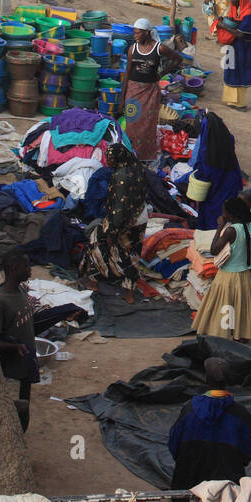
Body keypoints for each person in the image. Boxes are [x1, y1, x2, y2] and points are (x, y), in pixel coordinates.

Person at [168, 358, 251, 502]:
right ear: (228, 382)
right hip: (226, 493)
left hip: (188, 488)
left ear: (206, 380)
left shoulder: (188, 410)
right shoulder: (242, 415)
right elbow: (247, 454)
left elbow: (174, 446)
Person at [79, 143, 149, 304]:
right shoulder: (138, 169)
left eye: (110, 159)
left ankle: (93, 281)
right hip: (140, 216)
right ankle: (129, 292)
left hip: (122, 221)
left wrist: (112, 232)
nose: (107, 162)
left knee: (96, 245)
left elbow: (119, 208)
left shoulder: (120, 176)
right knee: (132, 254)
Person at [193, 196, 251, 342]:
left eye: (224, 212)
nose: (223, 215)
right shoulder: (248, 225)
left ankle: (223, 337)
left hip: (228, 277)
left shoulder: (231, 230)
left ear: (231, 214)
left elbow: (214, 250)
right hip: (243, 275)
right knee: (240, 308)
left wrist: (220, 227)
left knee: (225, 308)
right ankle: (240, 336)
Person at [0, 249, 39, 433]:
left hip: (25, 365)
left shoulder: (21, 292)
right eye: (26, 266)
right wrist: (15, 346)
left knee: (25, 409)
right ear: (14, 268)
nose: (30, 269)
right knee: (15, 413)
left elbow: (27, 324)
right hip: (12, 370)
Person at [119, 18, 182, 161]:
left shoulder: (159, 48)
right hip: (133, 90)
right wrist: (122, 99)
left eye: (138, 33)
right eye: (134, 33)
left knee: (148, 124)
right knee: (132, 123)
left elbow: (178, 59)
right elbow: (127, 74)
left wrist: (161, 74)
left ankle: (144, 156)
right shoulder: (132, 49)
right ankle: (130, 153)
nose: (135, 36)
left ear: (147, 33)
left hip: (150, 91)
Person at [215, 0, 251, 110]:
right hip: (235, 47)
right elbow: (235, 21)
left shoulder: (249, 13)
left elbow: (241, 34)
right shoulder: (236, 9)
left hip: (245, 49)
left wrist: (223, 26)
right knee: (231, 70)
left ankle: (240, 103)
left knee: (241, 72)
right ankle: (231, 100)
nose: (232, 1)